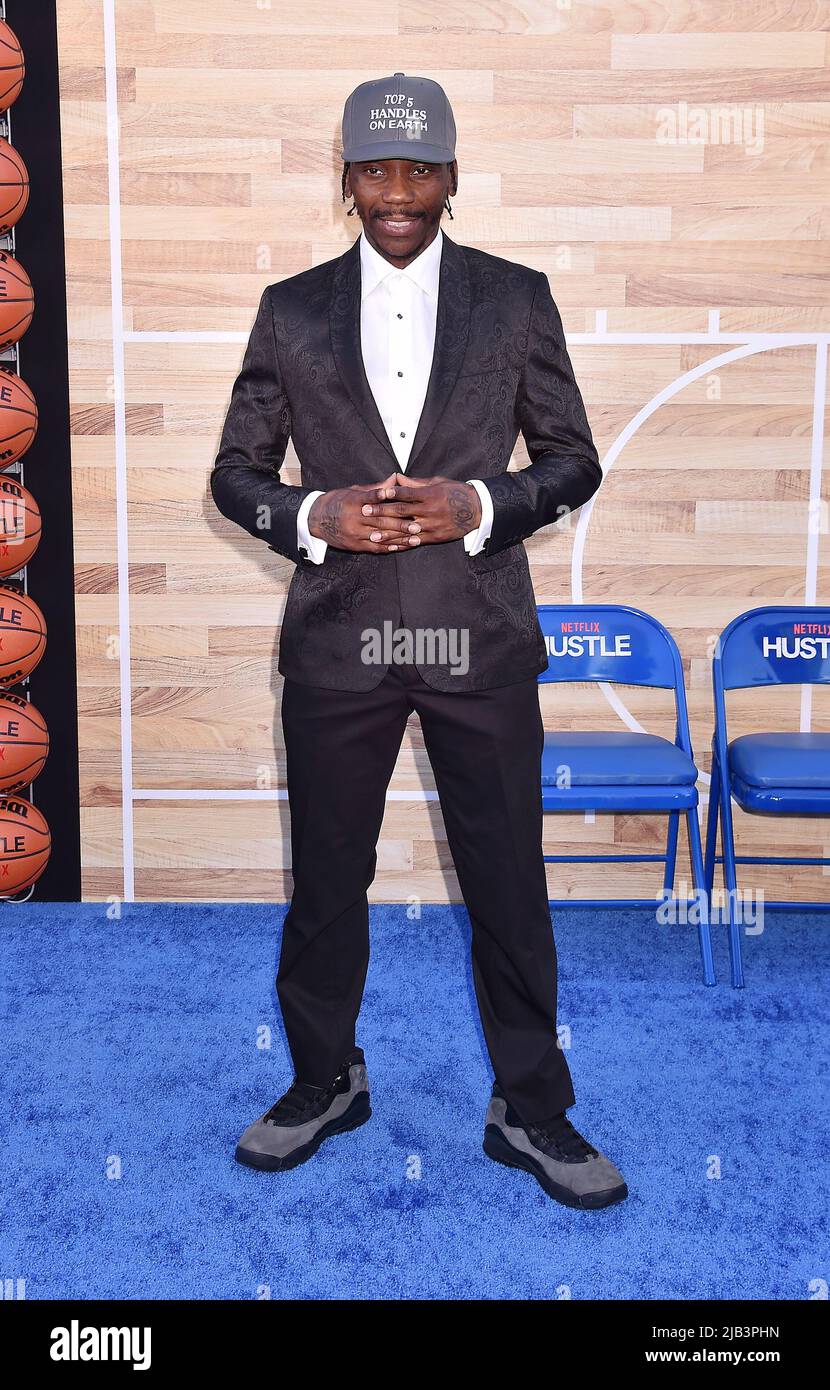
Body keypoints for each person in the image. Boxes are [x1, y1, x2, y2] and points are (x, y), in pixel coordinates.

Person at [210, 72, 627, 1209]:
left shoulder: (515, 298)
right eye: (374, 170)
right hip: (339, 640)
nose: (397, 192)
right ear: (345, 182)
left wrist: (480, 506)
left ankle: (531, 1108)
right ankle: (322, 1080)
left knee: (506, 881)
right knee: (326, 882)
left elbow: (573, 458)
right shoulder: (289, 307)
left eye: (418, 169)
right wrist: (313, 517)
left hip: (476, 635)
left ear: (451, 177)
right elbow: (233, 475)